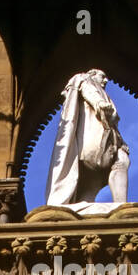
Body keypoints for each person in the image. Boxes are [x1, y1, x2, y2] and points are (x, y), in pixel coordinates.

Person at [45, 69, 130, 207]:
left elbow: (113, 126)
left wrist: (120, 141)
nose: (106, 80)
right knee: (92, 179)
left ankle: (121, 206)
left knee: (122, 160)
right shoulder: (85, 79)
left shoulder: (103, 92)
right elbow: (89, 91)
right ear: (92, 75)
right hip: (91, 136)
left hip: (109, 136)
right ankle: (112, 205)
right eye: (102, 76)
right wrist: (99, 104)